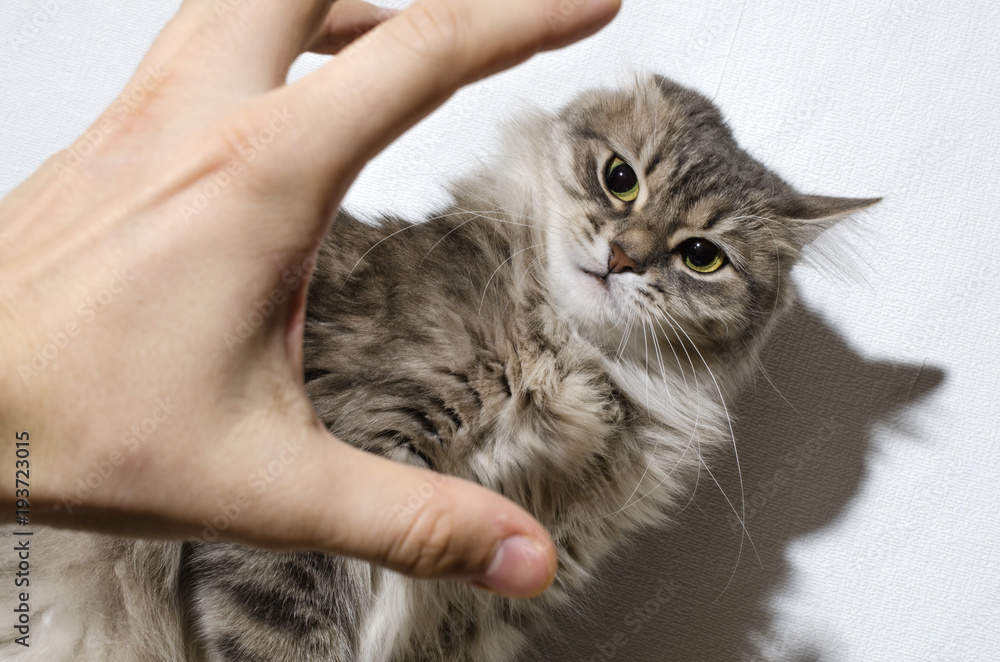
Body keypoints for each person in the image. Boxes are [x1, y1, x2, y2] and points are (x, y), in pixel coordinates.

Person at [0, 0, 620, 599]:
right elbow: (262, 574)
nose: (627, 251)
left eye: (703, 255)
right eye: (621, 179)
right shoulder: (452, 295)